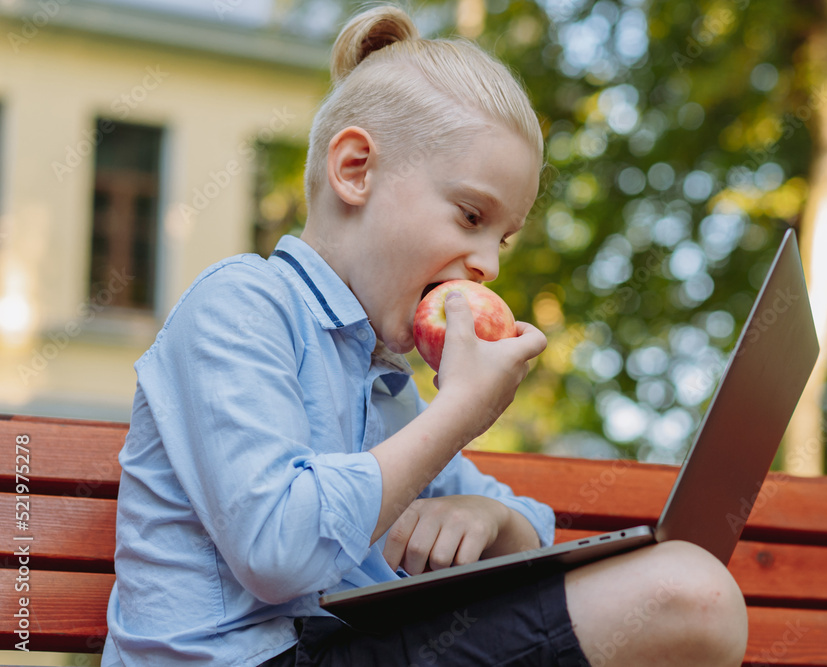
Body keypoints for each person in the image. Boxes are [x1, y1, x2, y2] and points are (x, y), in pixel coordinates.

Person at [101, 4, 748, 666]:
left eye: (502, 238)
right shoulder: (239, 306)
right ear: (354, 169)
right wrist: (460, 413)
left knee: (688, 591)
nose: (490, 265)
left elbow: (526, 530)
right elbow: (278, 551)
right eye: (471, 215)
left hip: (342, 649)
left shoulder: (385, 384)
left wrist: (492, 520)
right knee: (686, 595)